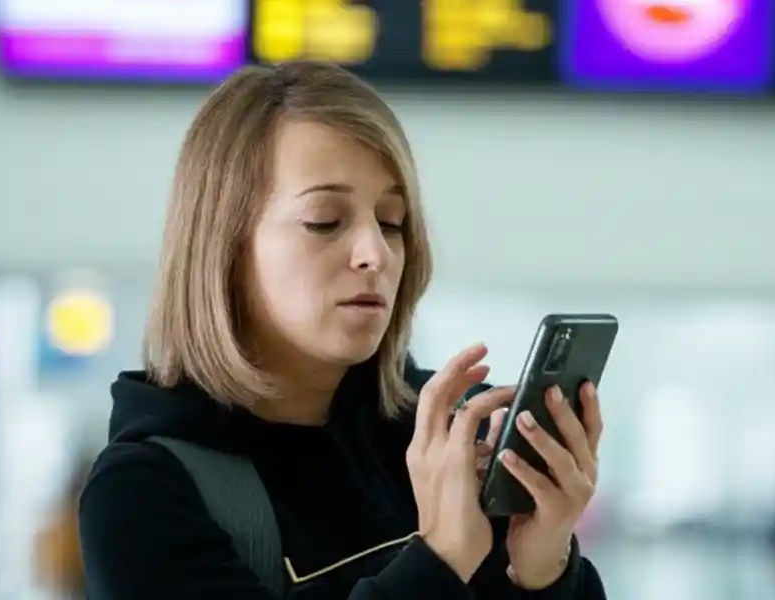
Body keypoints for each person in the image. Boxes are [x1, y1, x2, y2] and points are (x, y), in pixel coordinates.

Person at [78, 61, 608, 599]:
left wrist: (543, 570)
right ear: (225, 246)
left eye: (392, 223)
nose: (375, 254)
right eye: (325, 221)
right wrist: (441, 559)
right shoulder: (145, 492)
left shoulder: (445, 438)